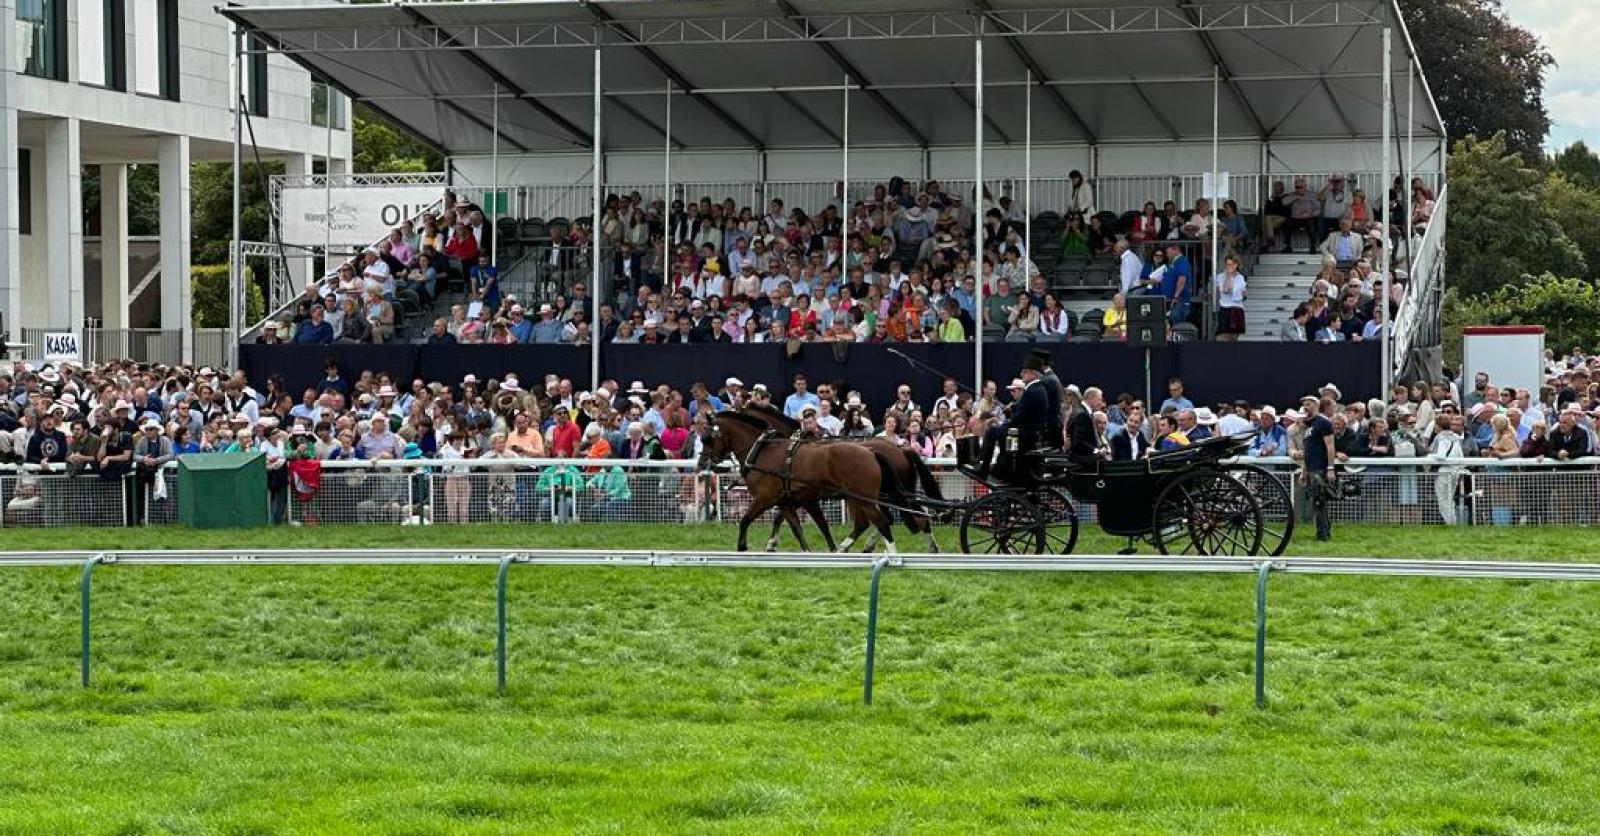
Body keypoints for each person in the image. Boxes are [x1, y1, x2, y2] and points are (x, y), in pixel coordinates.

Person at [972, 352, 1052, 480]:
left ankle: (983, 467)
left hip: (1024, 434)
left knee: (992, 431)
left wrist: (1006, 422)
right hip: (1029, 433)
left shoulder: (1032, 391)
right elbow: (1026, 410)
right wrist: (1012, 409)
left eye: (1024, 372)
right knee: (999, 431)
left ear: (1033, 373)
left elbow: (1020, 417)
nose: (1021, 374)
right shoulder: (1038, 389)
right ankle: (1001, 464)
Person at [1300, 400, 1337, 541]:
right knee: (1316, 501)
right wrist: (1304, 470)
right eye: (1304, 405)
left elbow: (1330, 445)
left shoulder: (1323, 422)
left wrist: (1330, 468)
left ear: (1316, 405)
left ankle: (1322, 533)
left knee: (1319, 501)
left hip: (1320, 468)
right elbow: (1306, 450)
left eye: (1308, 404)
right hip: (1310, 468)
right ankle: (1324, 531)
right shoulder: (1307, 426)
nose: (1305, 407)